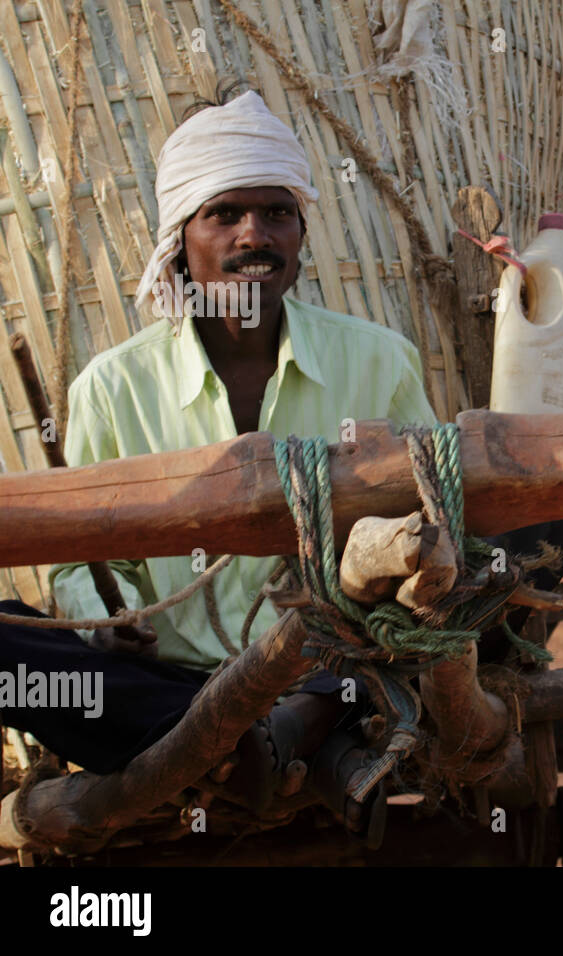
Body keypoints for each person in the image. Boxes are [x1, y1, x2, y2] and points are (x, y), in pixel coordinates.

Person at [0, 86, 438, 840]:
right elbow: (76, 570)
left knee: (400, 658)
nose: (253, 235)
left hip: (337, 672)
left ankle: (270, 734)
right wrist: (104, 627)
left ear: (301, 232)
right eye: (224, 214)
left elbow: (436, 531)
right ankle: (261, 741)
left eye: (276, 213)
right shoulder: (112, 389)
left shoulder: (379, 363)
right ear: (179, 238)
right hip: (162, 694)